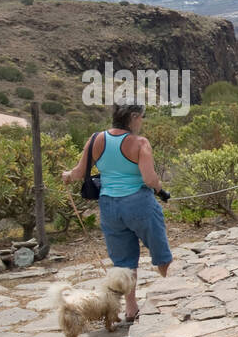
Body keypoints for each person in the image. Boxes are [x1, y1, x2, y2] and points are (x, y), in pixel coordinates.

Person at [62, 103, 172, 322]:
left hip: (109, 206)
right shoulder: (140, 143)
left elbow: (79, 172)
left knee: (123, 261)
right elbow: (149, 179)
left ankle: (131, 308)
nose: (142, 121)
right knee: (160, 250)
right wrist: (161, 190)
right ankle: (170, 283)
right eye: (142, 117)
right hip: (139, 203)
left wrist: (68, 175)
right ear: (133, 117)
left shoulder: (96, 139)